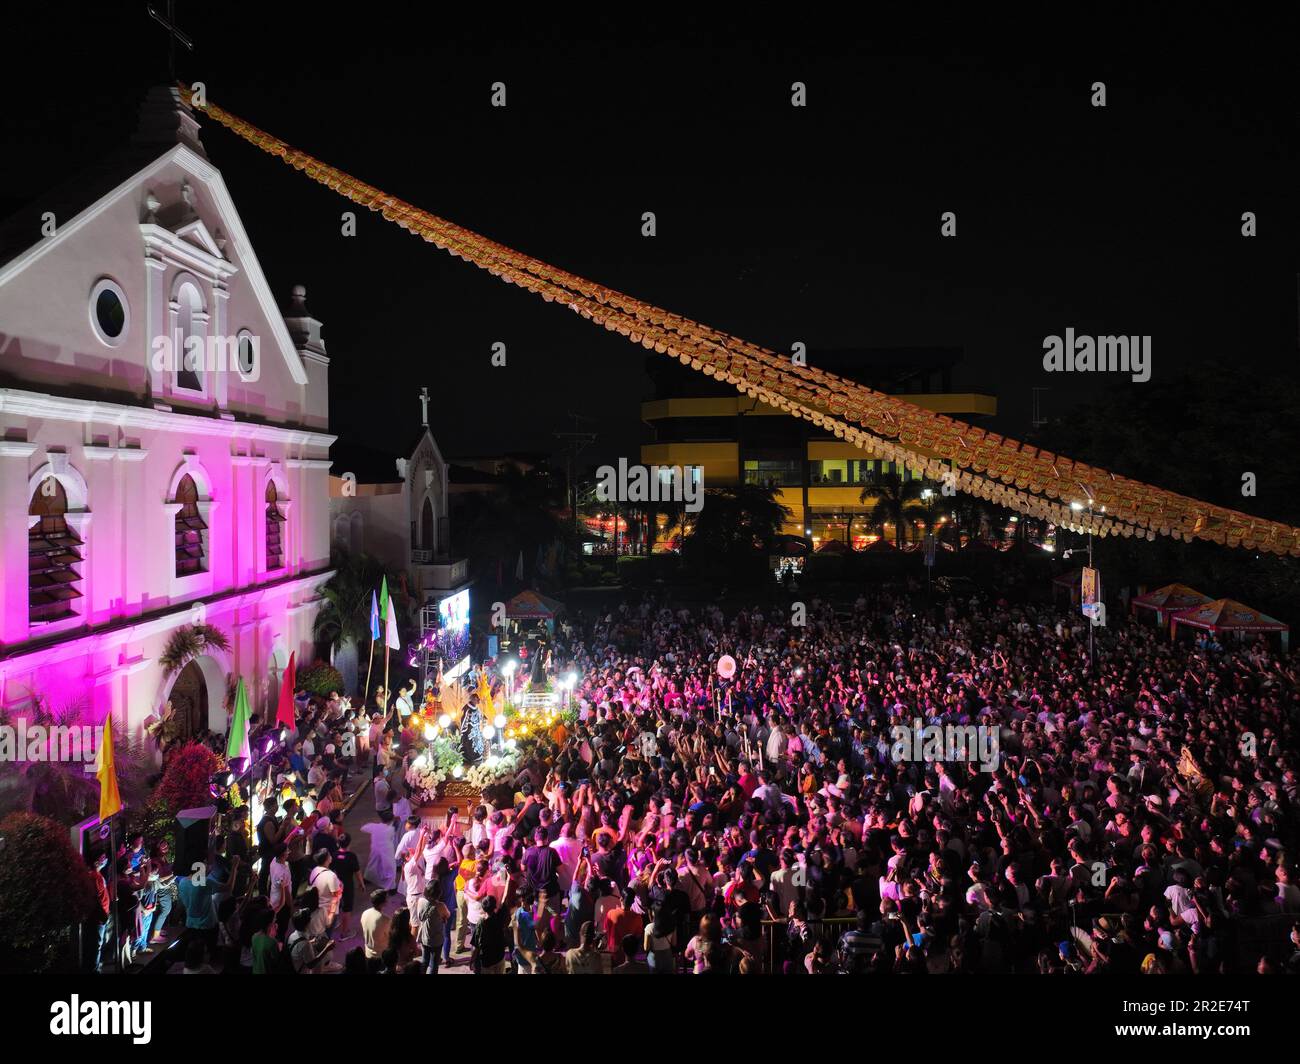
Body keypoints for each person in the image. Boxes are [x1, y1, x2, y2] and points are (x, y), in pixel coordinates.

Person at [415, 882, 450, 975]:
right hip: (436, 939)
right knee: (434, 963)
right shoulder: (440, 906)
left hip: (424, 937)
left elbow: (420, 916)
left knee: (424, 960)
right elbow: (447, 915)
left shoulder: (421, 901)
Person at [360, 890, 391, 960]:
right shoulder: (385, 919)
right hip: (380, 955)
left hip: (368, 953)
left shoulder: (365, 913)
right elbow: (390, 936)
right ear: (383, 903)